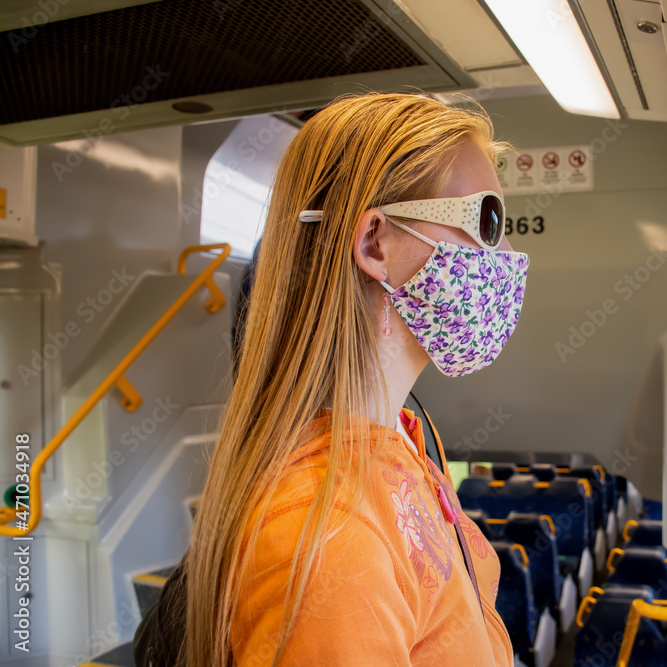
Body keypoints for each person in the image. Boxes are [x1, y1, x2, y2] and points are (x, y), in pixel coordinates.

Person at [168, 93, 528, 666]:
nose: (507, 254)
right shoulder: (329, 538)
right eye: (487, 222)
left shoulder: (402, 443)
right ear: (375, 243)